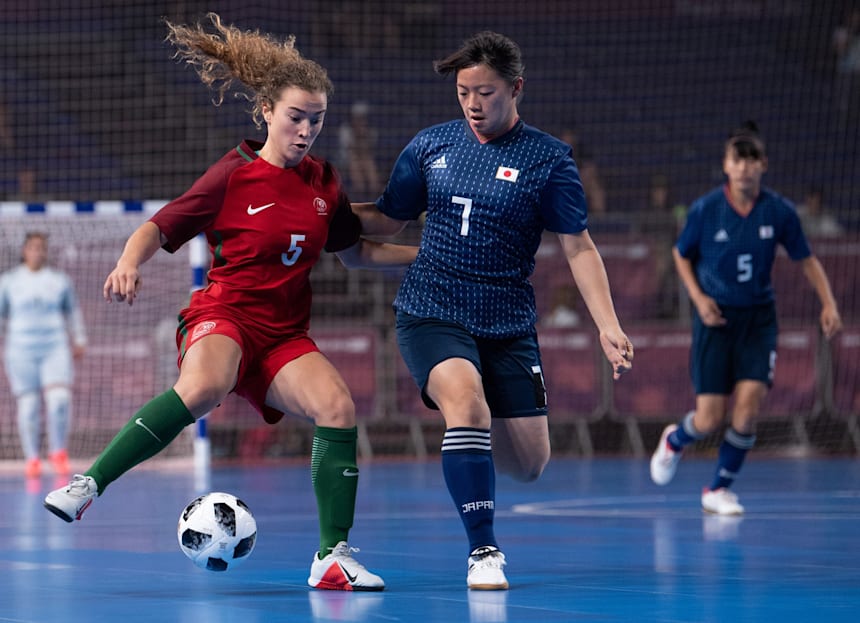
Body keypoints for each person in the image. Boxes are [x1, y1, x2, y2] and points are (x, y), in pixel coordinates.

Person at [43, 13, 417, 592]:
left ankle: (332, 558)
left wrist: (426, 256)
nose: (306, 130)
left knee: (338, 408)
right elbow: (158, 227)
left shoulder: (324, 183)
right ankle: (88, 485)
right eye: (296, 117)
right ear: (267, 111)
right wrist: (127, 262)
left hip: (283, 335)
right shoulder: (231, 176)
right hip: (225, 315)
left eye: (316, 120)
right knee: (204, 388)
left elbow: (357, 251)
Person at [353, 31, 633, 590]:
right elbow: (386, 219)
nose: (473, 104)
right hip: (433, 307)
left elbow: (578, 246)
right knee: (467, 404)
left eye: (485, 92)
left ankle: (469, 446)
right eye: (463, 92)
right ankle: (484, 550)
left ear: (517, 88)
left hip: (507, 321)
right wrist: (323, 212)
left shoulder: (549, 160)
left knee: (530, 464)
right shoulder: (431, 146)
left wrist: (608, 325)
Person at [649, 121, 843, 515]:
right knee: (709, 418)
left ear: (763, 166)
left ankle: (718, 489)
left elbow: (806, 260)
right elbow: (680, 254)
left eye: (753, 161)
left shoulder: (779, 211)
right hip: (715, 321)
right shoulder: (706, 209)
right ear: (726, 165)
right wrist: (699, 299)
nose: (745, 168)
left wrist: (829, 303)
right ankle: (674, 440)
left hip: (758, 320)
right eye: (738, 160)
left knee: (749, 407)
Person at [0, 232, 87, 478]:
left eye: (42, 247)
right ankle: (32, 459)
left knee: (59, 400)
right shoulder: (8, 281)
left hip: (54, 346)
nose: (37, 252)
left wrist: (79, 338)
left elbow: (73, 312)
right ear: (24, 251)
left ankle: (58, 452)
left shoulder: (59, 280)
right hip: (20, 348)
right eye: (33, 247)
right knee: (28, 405)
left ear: (46, 251)